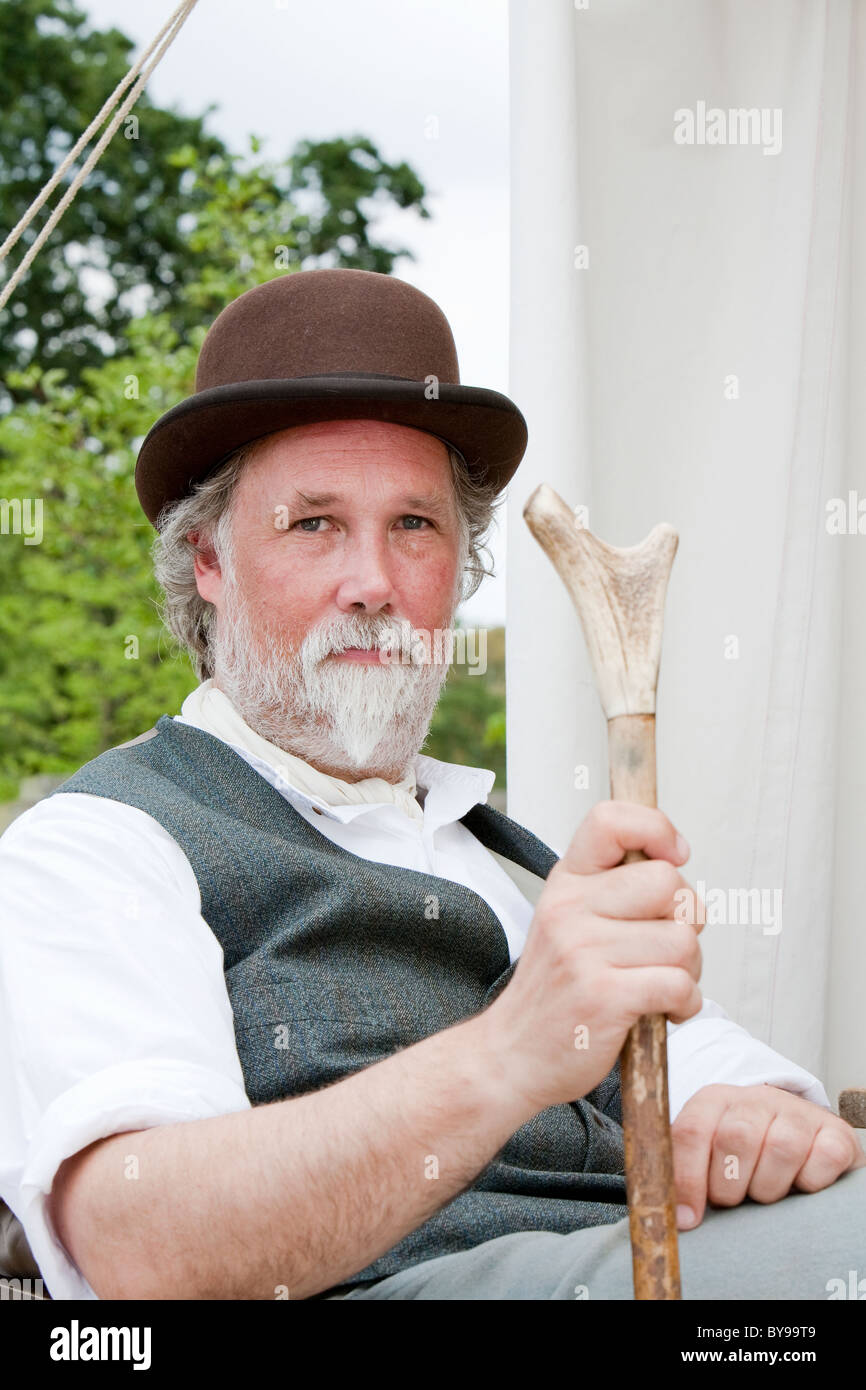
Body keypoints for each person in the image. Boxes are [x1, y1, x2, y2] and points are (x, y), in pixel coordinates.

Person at [0, 270, 862, 1302]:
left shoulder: (501, 858)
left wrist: (756, 1114)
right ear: (210, 560)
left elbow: (722, 1074)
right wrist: (509, 1051)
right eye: (312, 522)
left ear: (456, 571)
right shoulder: (100, 846)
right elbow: (144, 1248)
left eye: (413, 525)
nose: (372, 582)